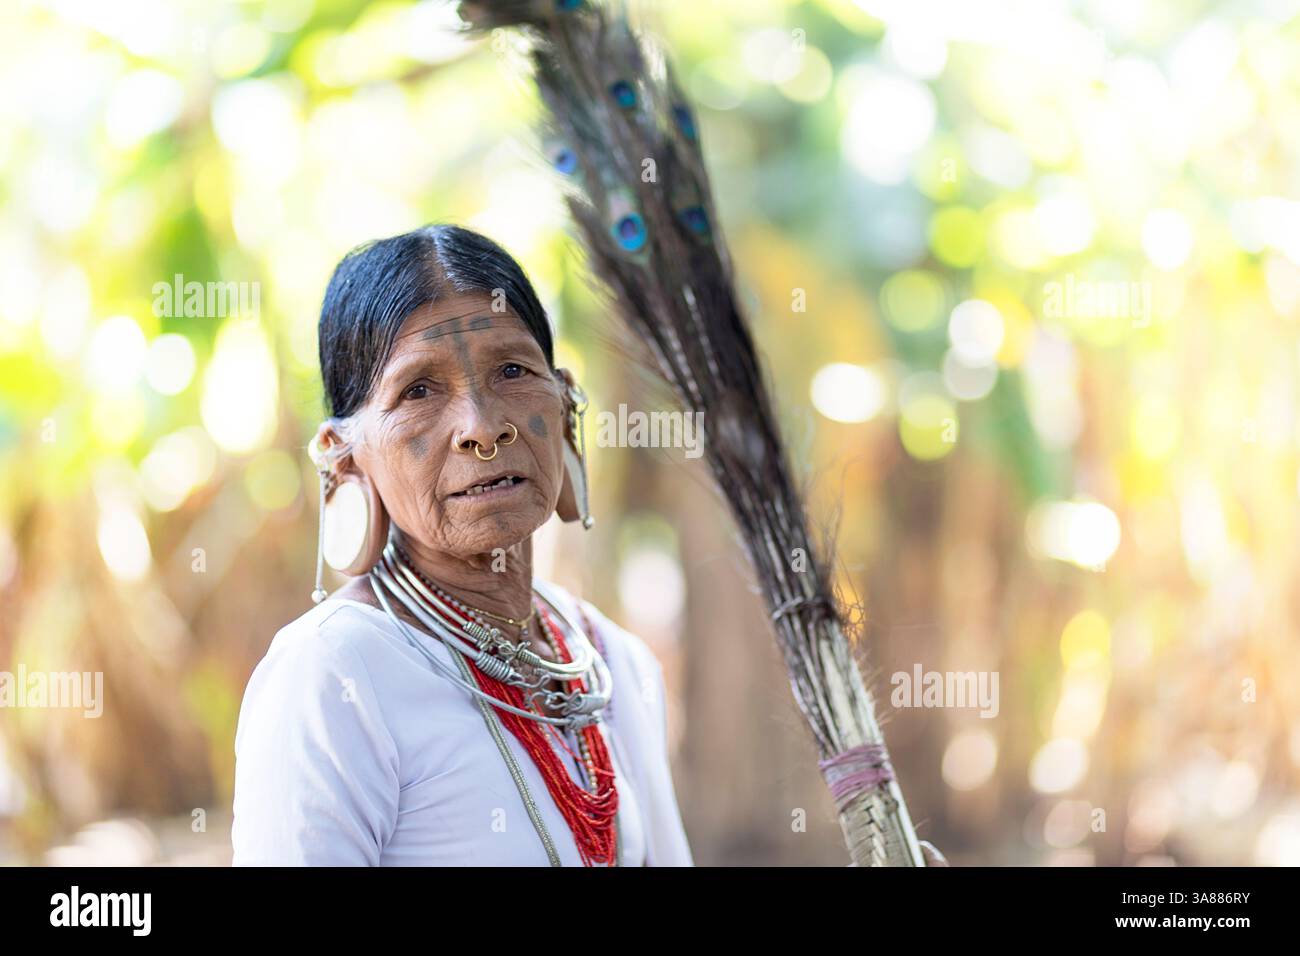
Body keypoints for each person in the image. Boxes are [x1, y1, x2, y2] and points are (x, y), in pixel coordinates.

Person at [231, 223, 693, 866]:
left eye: (512, 370)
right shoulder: (334, 674)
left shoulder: (613, 663)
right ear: (344, 455)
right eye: (418, 390)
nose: (482, 427)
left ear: (566, 402)